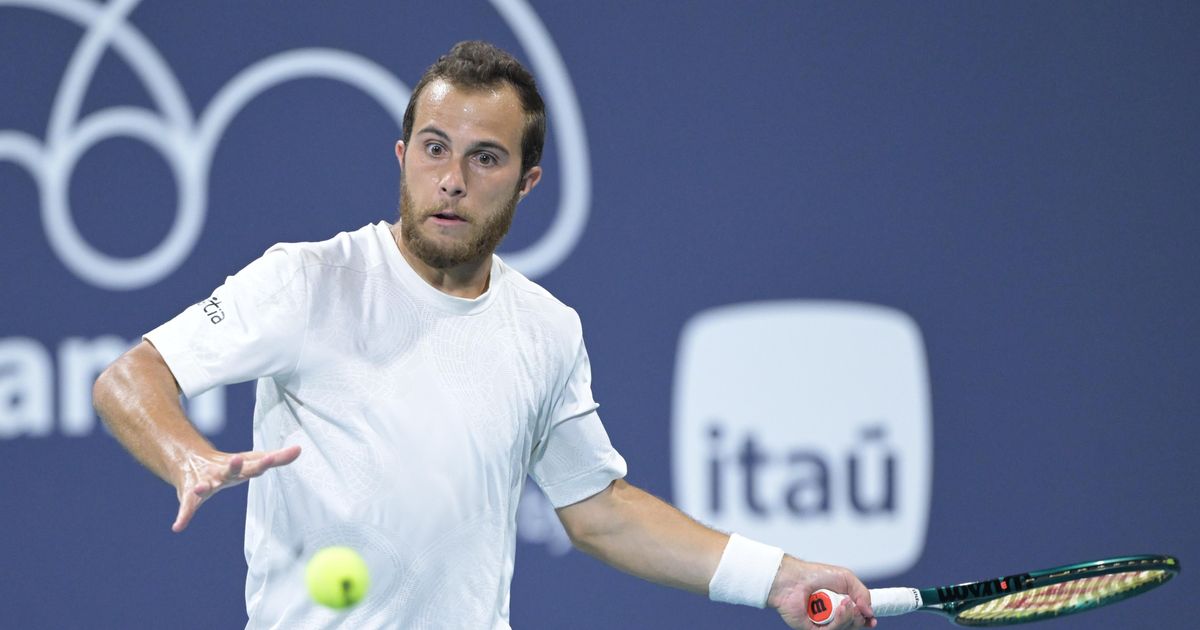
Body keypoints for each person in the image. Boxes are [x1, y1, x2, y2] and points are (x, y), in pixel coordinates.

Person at [93, 40, 876, 630]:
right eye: (434, 149)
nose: (452, 179)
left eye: (485, 158)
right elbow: (130, 377)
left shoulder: (545, 330)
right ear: (403, 158)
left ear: (527, 181)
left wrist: (773, 574)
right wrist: (187, 456)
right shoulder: (307, 281)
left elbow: (601, 511)